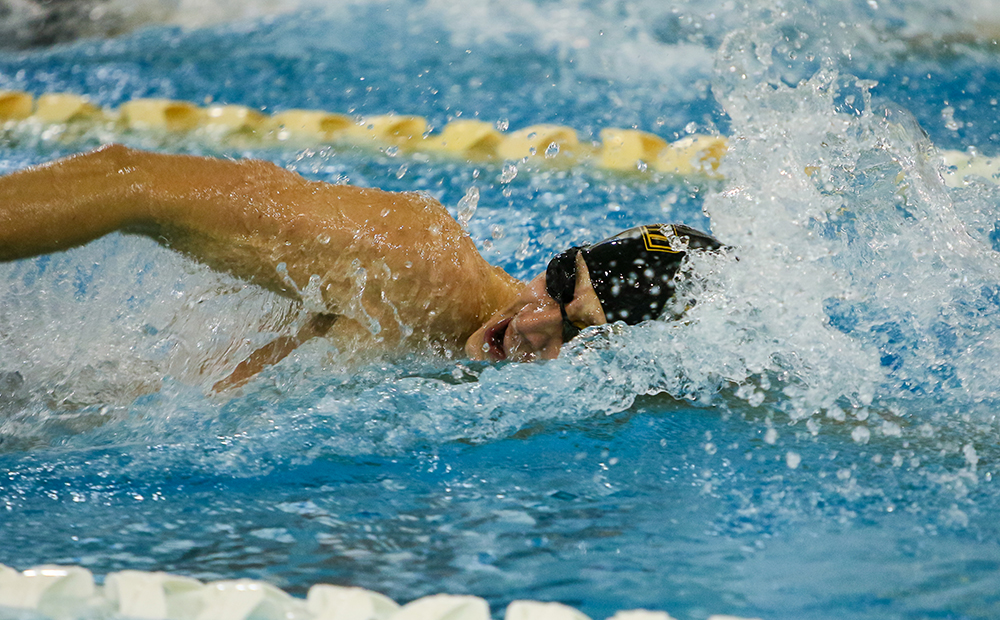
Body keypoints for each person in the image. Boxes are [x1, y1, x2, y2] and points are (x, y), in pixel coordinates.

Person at [0, 144, 722, 389]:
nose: (534, 321)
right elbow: (131, 180)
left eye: (581, 334)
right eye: (562, 281)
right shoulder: (411, 266)